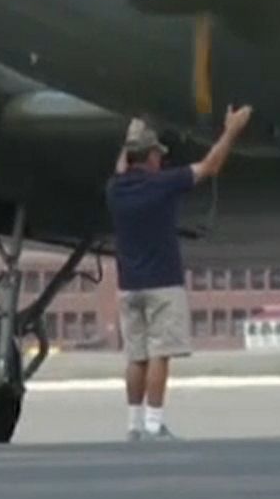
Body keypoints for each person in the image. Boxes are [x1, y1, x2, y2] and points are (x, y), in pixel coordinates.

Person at [106, 106, 253, 441]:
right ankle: (155, 423)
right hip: (162, 283)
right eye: (158, 153)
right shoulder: (163, 185)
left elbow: (120, 165)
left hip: (128, 286)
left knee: (136, 357)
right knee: (160, 354)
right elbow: (211, 166)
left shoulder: (115, 189)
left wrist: (135, 125)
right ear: (151, 156)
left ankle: (133, 424)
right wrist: (231, 130)